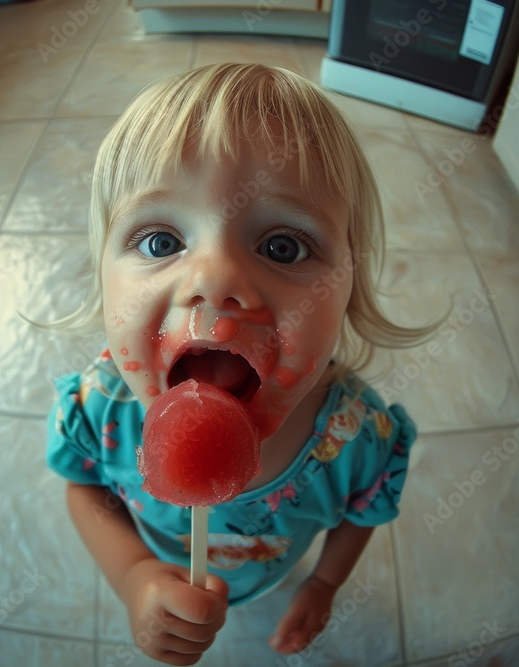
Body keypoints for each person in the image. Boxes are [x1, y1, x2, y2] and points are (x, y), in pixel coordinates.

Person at [45, 63, 437, 666]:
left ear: (349, 291)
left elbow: (364, 511)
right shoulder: (103, 410)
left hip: (274, 575)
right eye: (160, 242)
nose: (213, 280)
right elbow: (84, 487)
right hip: (160, 558)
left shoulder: (356, 437)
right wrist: (135, 576)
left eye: (283, 246)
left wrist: (322, 583)